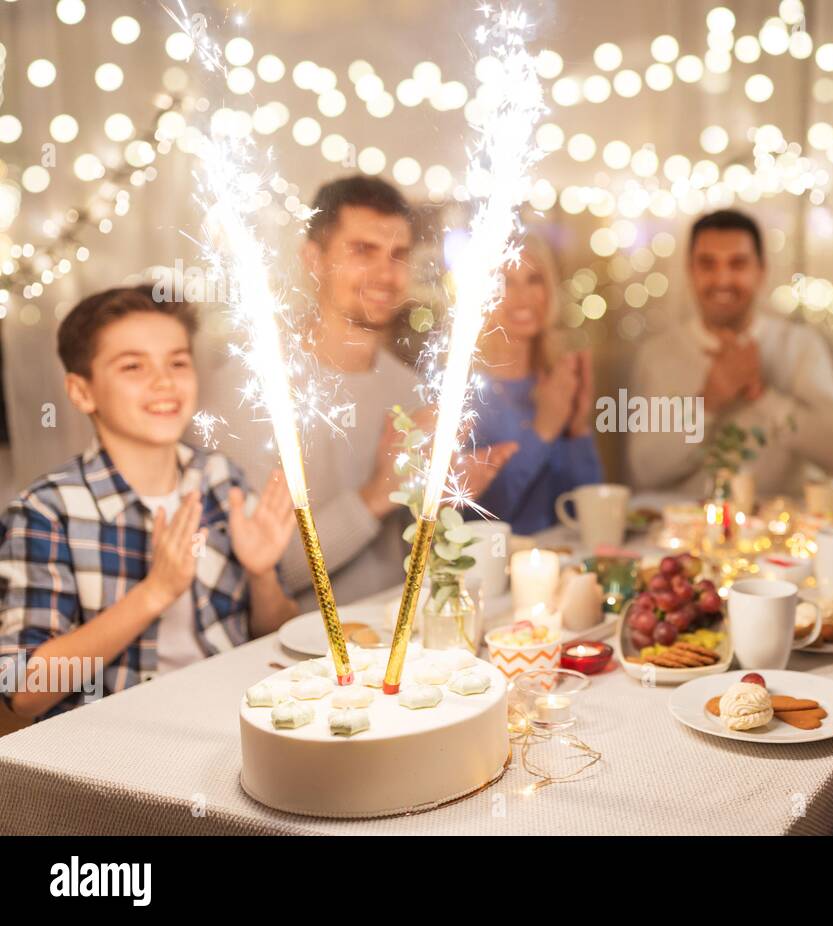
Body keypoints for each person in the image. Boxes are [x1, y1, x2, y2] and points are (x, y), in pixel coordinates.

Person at [198, 176, 513, 610]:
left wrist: (440, 504)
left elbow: (408, 560)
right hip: (292, 661)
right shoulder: (251, 388)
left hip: (397, 643)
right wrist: (377, 495)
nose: (386, 274)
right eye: (362, 251)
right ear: (313, 259)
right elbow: (260, 572)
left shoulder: (409, 388)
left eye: (398, 255)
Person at [0, 286, 297, 721]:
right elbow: (24, 690)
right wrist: (155, 592)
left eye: (177, 361)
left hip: (233, 718)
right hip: (116, 745)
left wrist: (261, 574)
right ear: (82, 392)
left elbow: (273, 632)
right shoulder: (46, 511)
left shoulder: (220, 479)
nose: (164, 381)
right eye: (133, 366)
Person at [627, 209, 833, 496]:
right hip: (684, 531)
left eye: (738, 264)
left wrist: (762, 394)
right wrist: (709, 399)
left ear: (761, 271)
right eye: (708, 264)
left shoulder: (800, 346)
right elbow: (645, 470)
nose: (722, 279)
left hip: (781, 532)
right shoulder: (657, 355)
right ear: (690, 271)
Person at [465, 232, 602, 533]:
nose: (522, 296)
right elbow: (473, 521)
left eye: (534, 279)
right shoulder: (467, 395)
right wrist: (543, 430)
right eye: (505, 282)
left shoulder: (556, 381)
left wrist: (577, 426)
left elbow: (590, 510)